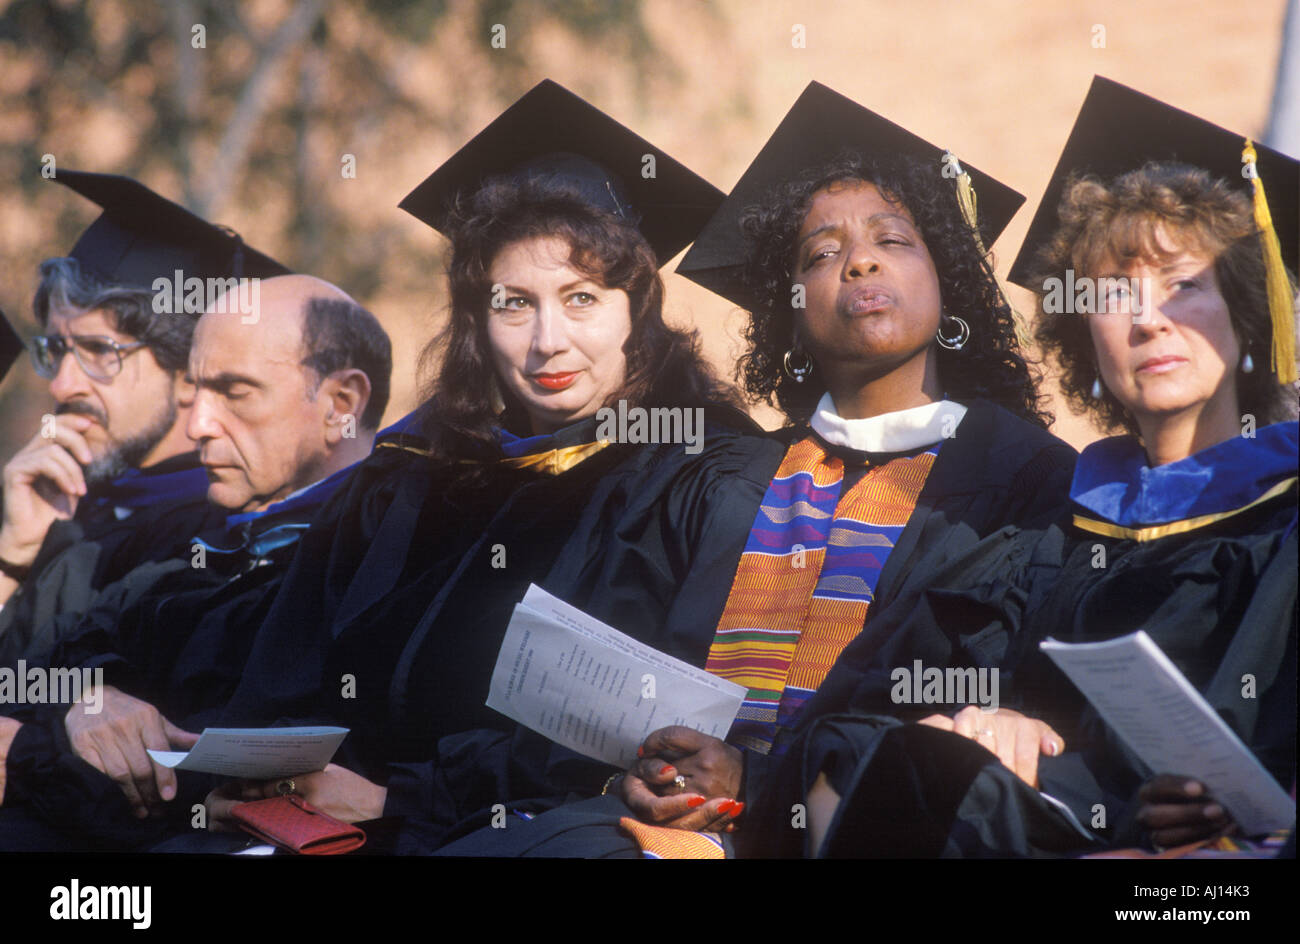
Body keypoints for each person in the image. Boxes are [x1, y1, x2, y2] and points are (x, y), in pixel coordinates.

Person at [431, 81, 1078, 857]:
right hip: (664, 831)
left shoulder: (1025, 484)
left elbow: (1005, 712)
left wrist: (760, 775)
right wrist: (638, 773)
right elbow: (590, 691)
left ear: (949, 278)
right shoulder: (711, 473)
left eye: (893, 240)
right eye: (821, 253)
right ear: (791, 307)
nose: (859, 258)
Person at [188, 80, 773, 851]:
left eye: (582, 298)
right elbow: (284, 662)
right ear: (477, 318)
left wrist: (401, 795)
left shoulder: (707, 470)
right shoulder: (412, 469)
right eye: (513, 303)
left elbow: (671, 730)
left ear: (638, 308)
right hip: (324, 819)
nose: (548, 341)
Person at [754, 77, 1298, 858]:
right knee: (868, 756)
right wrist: (987, 717)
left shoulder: (1285, 523)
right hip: (1061, 823)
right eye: (1115, 293)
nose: (1150, 320)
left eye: (1184, 286)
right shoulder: (1053, 534)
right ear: (1087, 339)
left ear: (1247, 316)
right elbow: (879, 698)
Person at [0, 274, 392, 851]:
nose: (196, 425)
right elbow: (46, 659)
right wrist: (89, 696)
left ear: (341, 404)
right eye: (198, 391)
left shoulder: (389, 555)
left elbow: (222, 787)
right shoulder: (211, 548)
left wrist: (25, 753)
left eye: (233, 391)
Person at [0, 171, 288, 665]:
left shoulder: (222, 544)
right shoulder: (47, 505)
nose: (62, 385)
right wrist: (13, 555)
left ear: (190, 375)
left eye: (98, 351)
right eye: (57, 349)